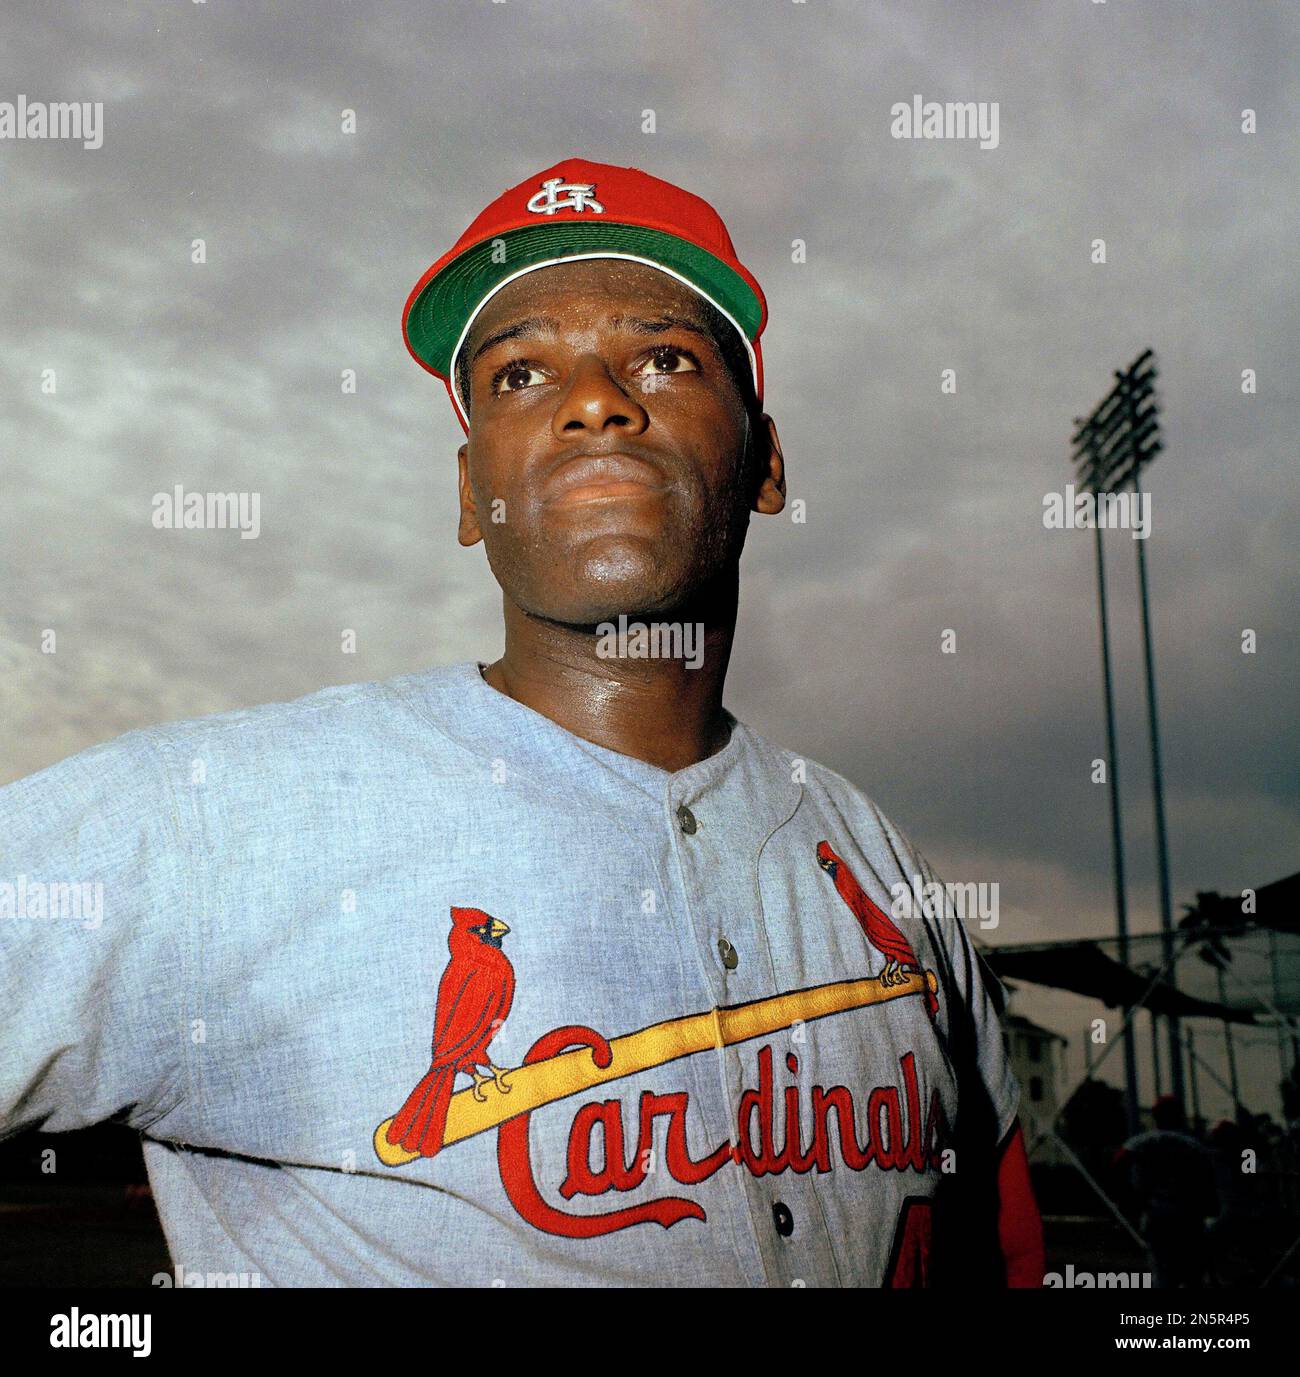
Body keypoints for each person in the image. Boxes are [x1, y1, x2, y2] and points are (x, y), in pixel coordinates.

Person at [0, 158, 1043, 1288]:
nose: (597, 398)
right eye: (518, 375)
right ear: (468, 495)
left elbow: (1002, 1248)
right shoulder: (207, 823)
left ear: (768, 462)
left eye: (664, 358)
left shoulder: (882, 868)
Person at [1117, 1095, 1219, 1288]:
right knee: (1192, 1274)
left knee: (1162, 1274)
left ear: (1156, 1116)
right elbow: (1207, 1179)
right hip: (1188, 1215)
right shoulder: (1193, 1145)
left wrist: (1129, 1196)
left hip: (1156, 1213)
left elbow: (1119, 1161)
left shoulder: (1142, 1141)